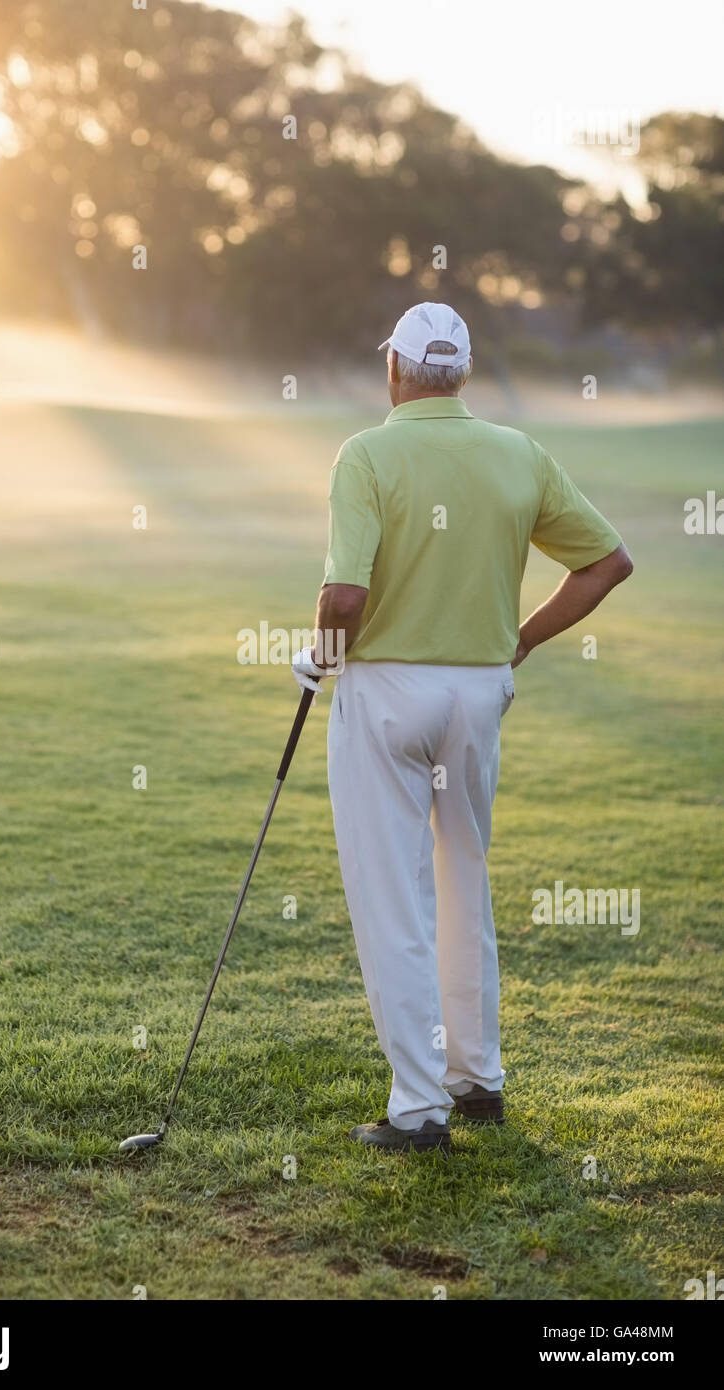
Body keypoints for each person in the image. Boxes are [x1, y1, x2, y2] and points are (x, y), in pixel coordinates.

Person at [292, 303, 633, 1153]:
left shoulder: (366, 453)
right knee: (462, 880)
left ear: (394, 370)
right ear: (464, 374)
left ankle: (418, 1109)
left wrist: (320, 657)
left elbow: (344, 597)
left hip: (388, 694)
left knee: (393, 897)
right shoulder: (519, 453)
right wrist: (520, 640)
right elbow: (607, 562)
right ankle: (476, 1081)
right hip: (479, 694)